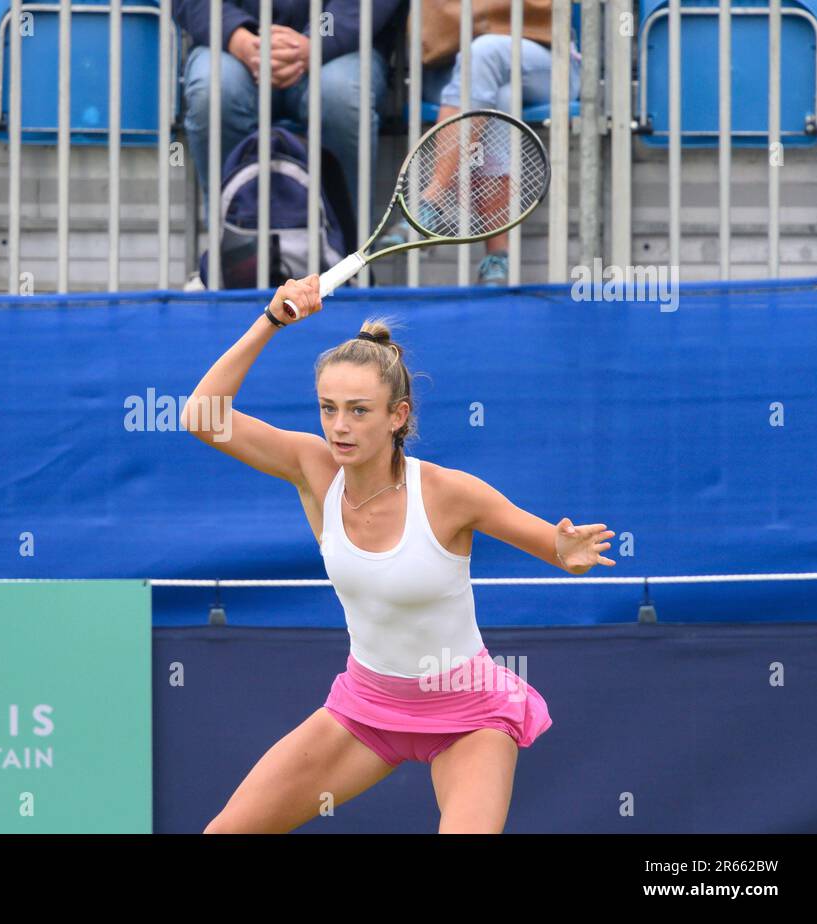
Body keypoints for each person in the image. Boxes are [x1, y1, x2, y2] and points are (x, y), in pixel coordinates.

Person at [180, 275, 615, 834]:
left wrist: (569, 550)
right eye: (328, 408)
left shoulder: (448, 493)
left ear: (398, 415)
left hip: (469, 713)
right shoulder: (313, 469)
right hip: (365, 707)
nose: (340, 426)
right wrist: (272, 321)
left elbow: (555, 548)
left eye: (359, 411)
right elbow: (201, 416)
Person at [382, 0, 581, 285]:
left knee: (483, 52)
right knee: (500, 98)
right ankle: (498, 255)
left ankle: (431, 203)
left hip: (546, 62)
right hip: (447, 65)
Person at [172, 0, 403, 233]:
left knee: (340, 96)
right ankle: (233, 245)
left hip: (341, 47)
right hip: (232, 46)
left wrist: (316, 43)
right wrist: (239, 39)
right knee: (215, 91)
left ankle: (345, 252)